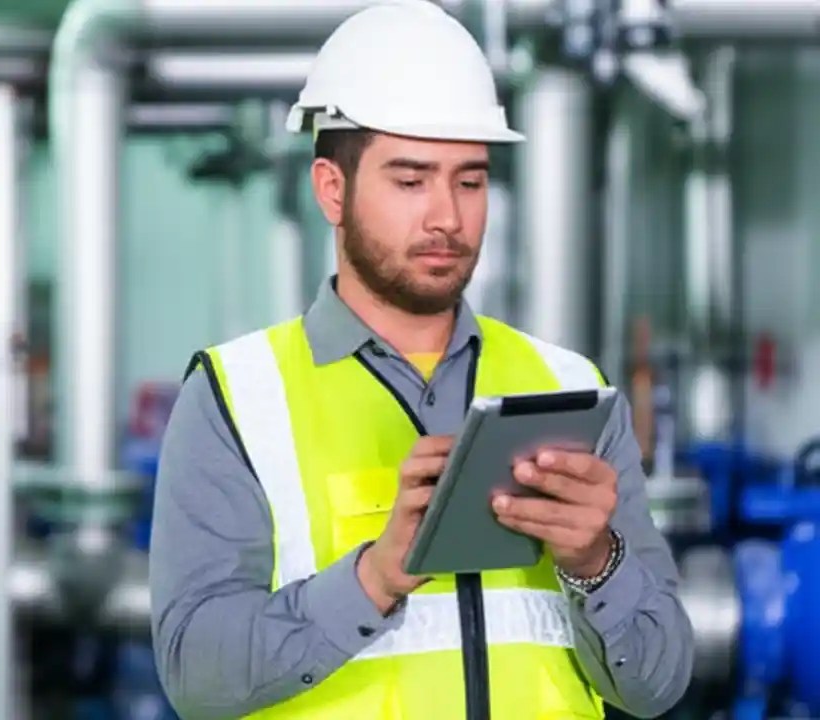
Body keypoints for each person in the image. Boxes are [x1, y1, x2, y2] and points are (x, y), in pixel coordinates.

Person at [147, 2, 695, 719]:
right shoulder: (237, 398)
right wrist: (374, 577)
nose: (447, 216)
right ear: (331, 189)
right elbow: (196, 675)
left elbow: (657, 687)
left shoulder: (569, 388)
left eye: (469, 181)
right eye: (411, 180)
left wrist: (597, 563)